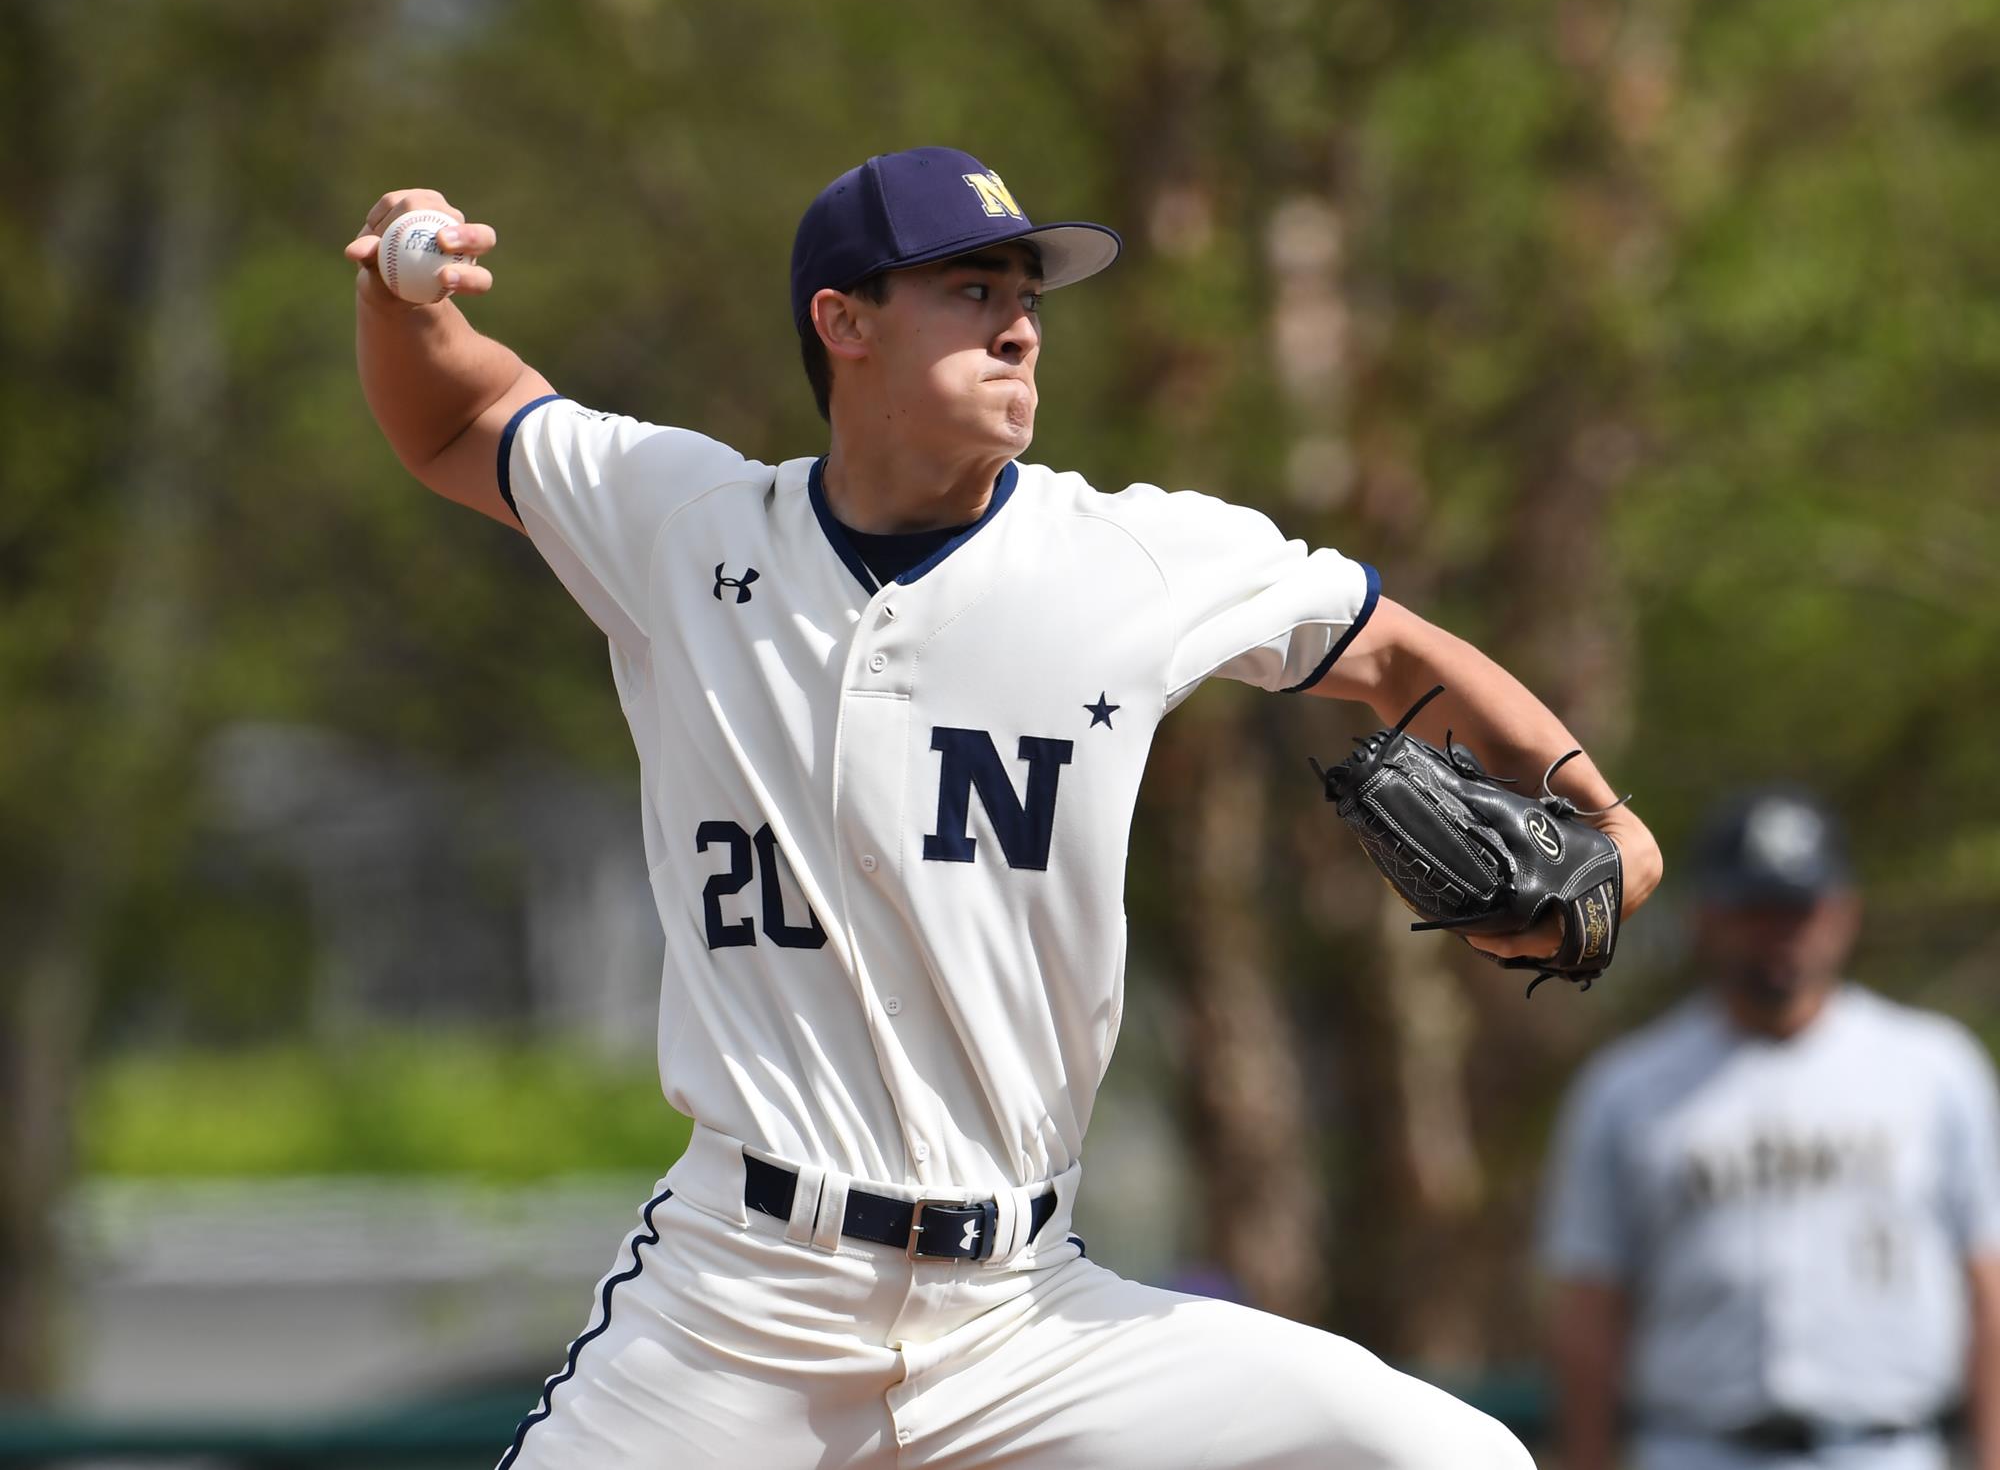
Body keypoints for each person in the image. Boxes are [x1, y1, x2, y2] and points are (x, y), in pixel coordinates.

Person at [346, 146, 1661, 1470]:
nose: (1022, 326)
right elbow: (457, 420)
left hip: (1026, 1322)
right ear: (843, 321)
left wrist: (1604, 814)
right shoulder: (690, 528)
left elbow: (1391, 655)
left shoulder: (1134, 557)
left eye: (1029, 295)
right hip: (740, 1310)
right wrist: (406, 297)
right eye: (973, 290)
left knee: (1455, 1461)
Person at [1540, 789, 2000, 1470]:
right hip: (1696, 1447)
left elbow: (1987, 1285)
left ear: (1845, 911)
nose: (1780, 933)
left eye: (1799, 908)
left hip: (1889, 1446)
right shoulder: (1627, 1087)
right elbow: (1589, 1305)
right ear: (1705, 916)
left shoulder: (1936, 1069)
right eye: (1755, 911)